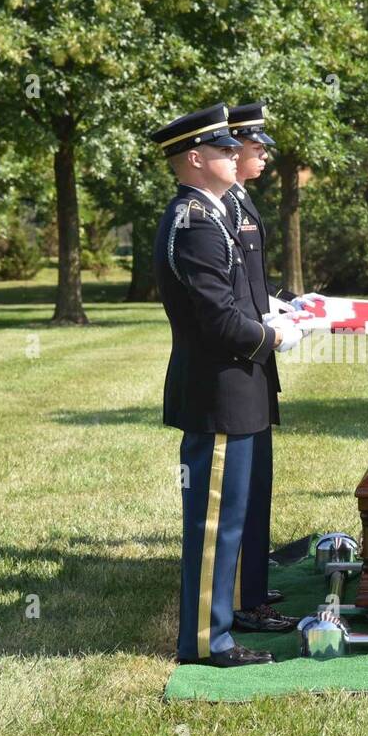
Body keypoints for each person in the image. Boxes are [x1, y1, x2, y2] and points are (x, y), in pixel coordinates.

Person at [151, 103, 306, 668]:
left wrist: (273, 319)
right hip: (218, 388)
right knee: (215, 519)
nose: (234, 155)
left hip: (237, 384)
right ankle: (204, 640)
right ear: (195, 159)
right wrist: (272, 338)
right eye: (222, 150)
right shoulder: (193, 221)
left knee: (234, 513)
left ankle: (223, 620)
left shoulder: (212, 213)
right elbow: (216, 317)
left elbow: (237, 297)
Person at [223, 101, 300, 634]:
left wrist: (291, 299)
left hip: (255, 357)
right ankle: (241, 595)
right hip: (240, 357)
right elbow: (230, 295)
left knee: (259, 485)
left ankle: (251, 584)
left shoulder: (241, 203)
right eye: (256, 148)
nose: (264, 156)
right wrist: (269, 323)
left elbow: (254, 283)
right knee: (242, 489)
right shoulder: (222, 207)